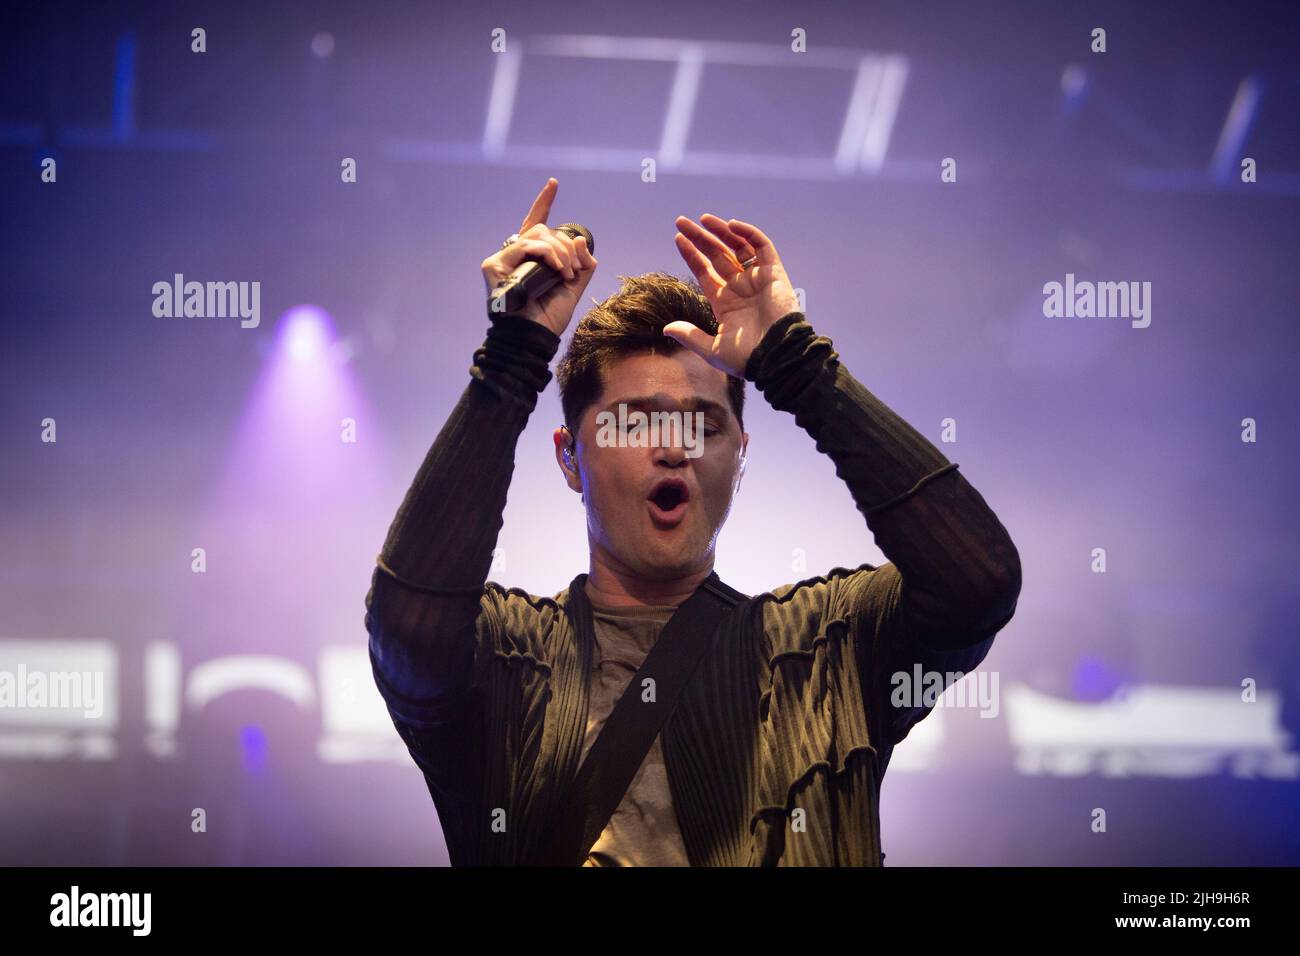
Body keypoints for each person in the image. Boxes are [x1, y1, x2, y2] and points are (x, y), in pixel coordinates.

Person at [364, 177, 1022, 866]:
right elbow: (409, 628)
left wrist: (796, 365)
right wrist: (511, 357)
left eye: (703, 424)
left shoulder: (830, 651)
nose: (673, 446)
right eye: (634, 423)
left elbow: (976, 582)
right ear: (569, 459)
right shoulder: (503, 661)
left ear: (739, 456)